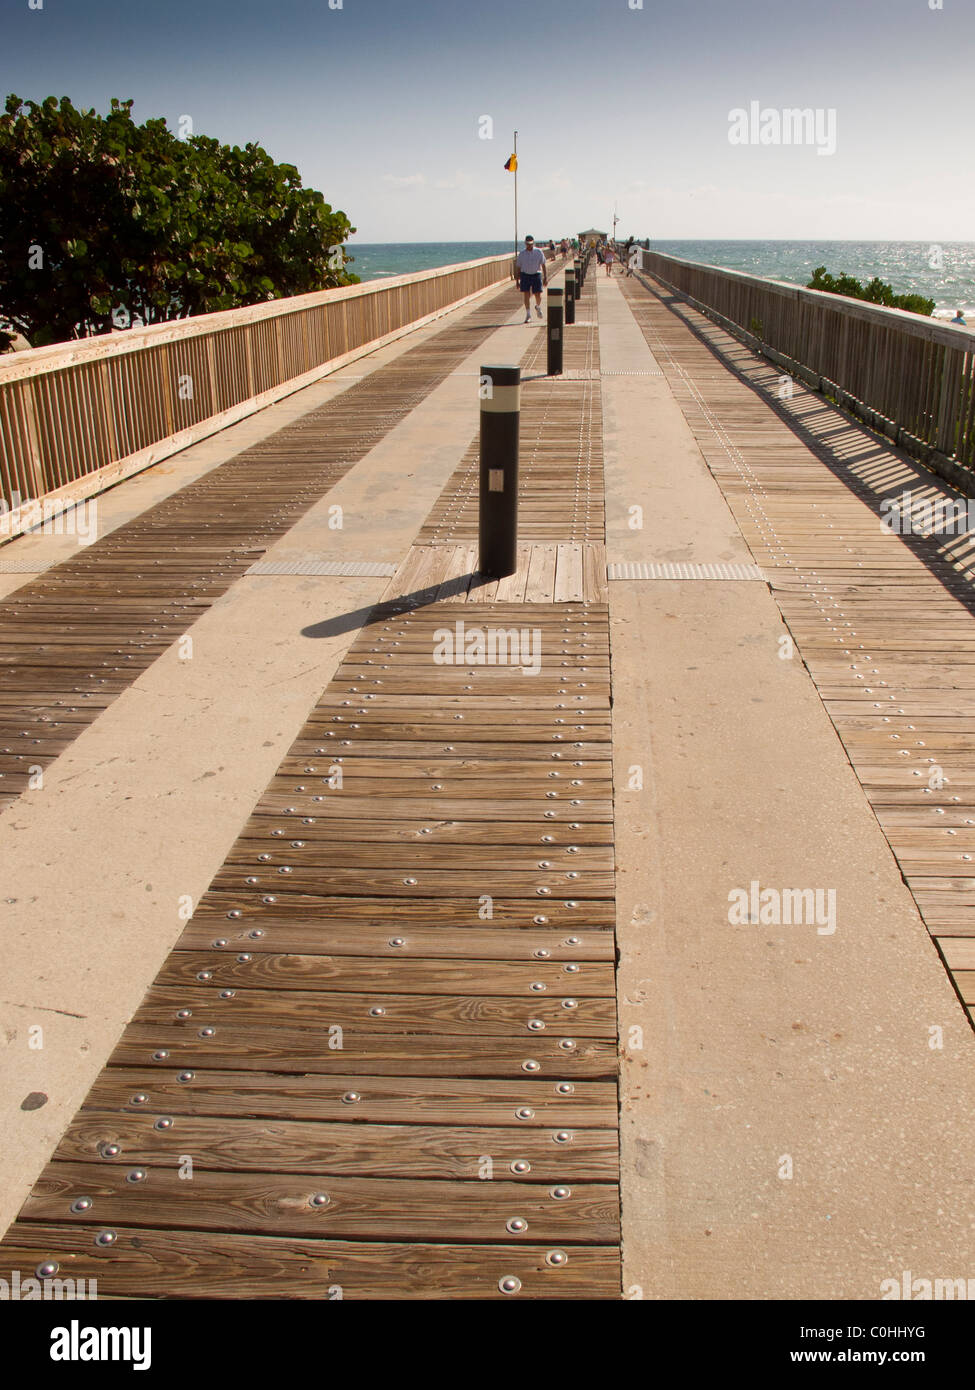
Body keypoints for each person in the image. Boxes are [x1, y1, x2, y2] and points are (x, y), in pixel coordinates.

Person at [513, 235, 548, 322]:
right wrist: (517, 281)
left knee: (538, 294)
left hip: (536, 274)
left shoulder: (538, 252)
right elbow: (518, 268)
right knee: (526, 294)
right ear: (525, 244)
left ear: (533, 243)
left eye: (531, 244)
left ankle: (538, 306)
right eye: (528, 244)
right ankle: (528, 314)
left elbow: (543, 264)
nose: (529, 246)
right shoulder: (522, 254)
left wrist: (545, 277)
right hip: (525, 275)